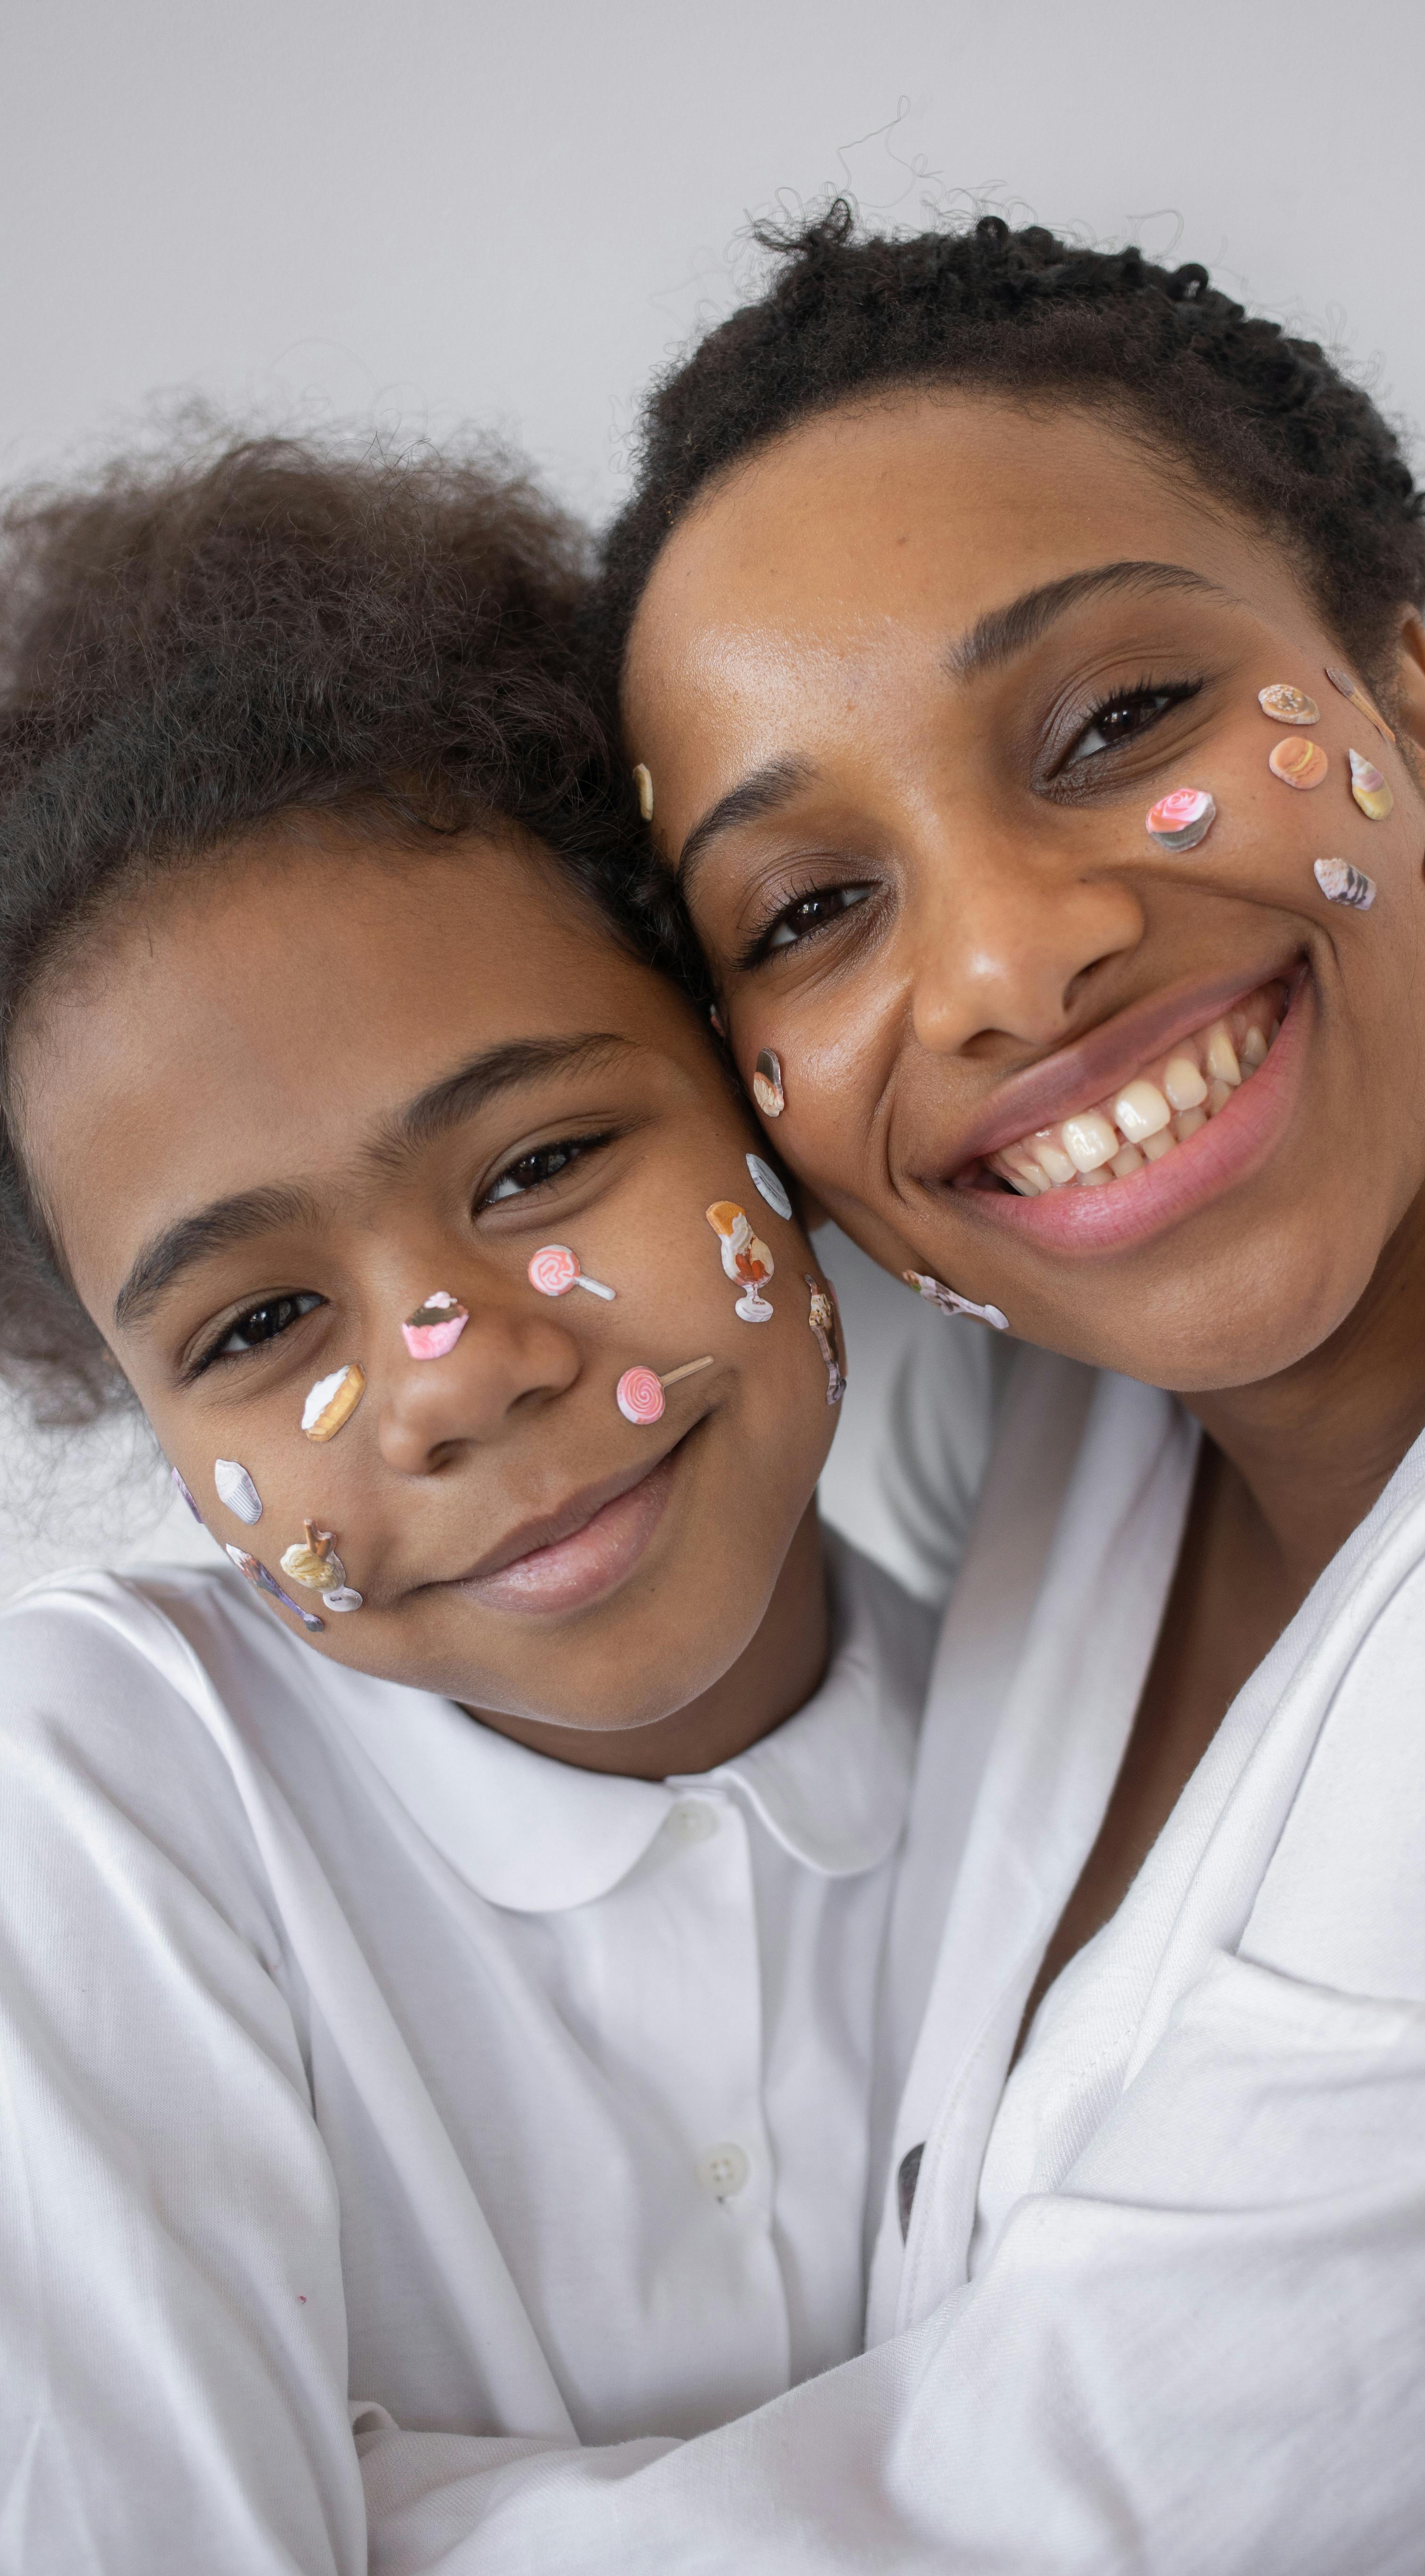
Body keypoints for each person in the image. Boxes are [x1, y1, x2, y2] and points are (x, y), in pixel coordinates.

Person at [348, 211, 1425, 2573]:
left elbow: (1038, 2536)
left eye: (1115, 726)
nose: (1006, 965)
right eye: (806, 913)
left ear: (1410, 718)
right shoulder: (1064, 1438)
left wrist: (234, 2460)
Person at [0, 433, 940, 2573]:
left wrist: (428, 2517)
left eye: (537, 1169)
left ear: (751, 1084)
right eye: (253, 1330)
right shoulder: (92, 1795)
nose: (457, 1374)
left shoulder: (1079, 1711)